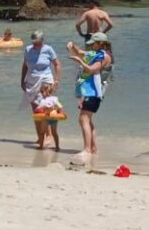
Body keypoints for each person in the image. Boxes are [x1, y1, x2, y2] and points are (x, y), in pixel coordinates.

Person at [67, 32, 112, 163]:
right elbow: (80, 52)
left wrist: (80, 61)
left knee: (83, 119)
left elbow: (92, 69)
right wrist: (72, 46)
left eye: (94, 44)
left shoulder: (103, 56)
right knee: (87, 120)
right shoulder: (95, 53)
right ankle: (93, 149)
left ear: (101, 44)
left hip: (94, 92)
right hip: (89, 91)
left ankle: (87, 150)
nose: (91, 45)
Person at [21, 30, 61, 149]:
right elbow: (25, 65)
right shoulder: (28, 49)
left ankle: (49, 136)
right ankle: (40, 136)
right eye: (34, 42)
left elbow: (57, 64)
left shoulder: (48, 49)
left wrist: (56, 80)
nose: (35, 44)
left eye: (37, 42)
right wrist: (22, 80)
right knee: (36, 111)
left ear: (42, 41)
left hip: (46, 80)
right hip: (31, 81)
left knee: (46, 108)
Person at [33, 82, 64, 151]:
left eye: (42, 92)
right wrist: (60, 112)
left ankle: (41, 146)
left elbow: (37, 109)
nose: (41, 94)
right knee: (54, 132)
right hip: (53, 117)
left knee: (42, 132)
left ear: (47, 91)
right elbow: (60, 106)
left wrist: (36, 111)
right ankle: (57, 147)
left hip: (46, 118)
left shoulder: (43, 101)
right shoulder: (54, 98)